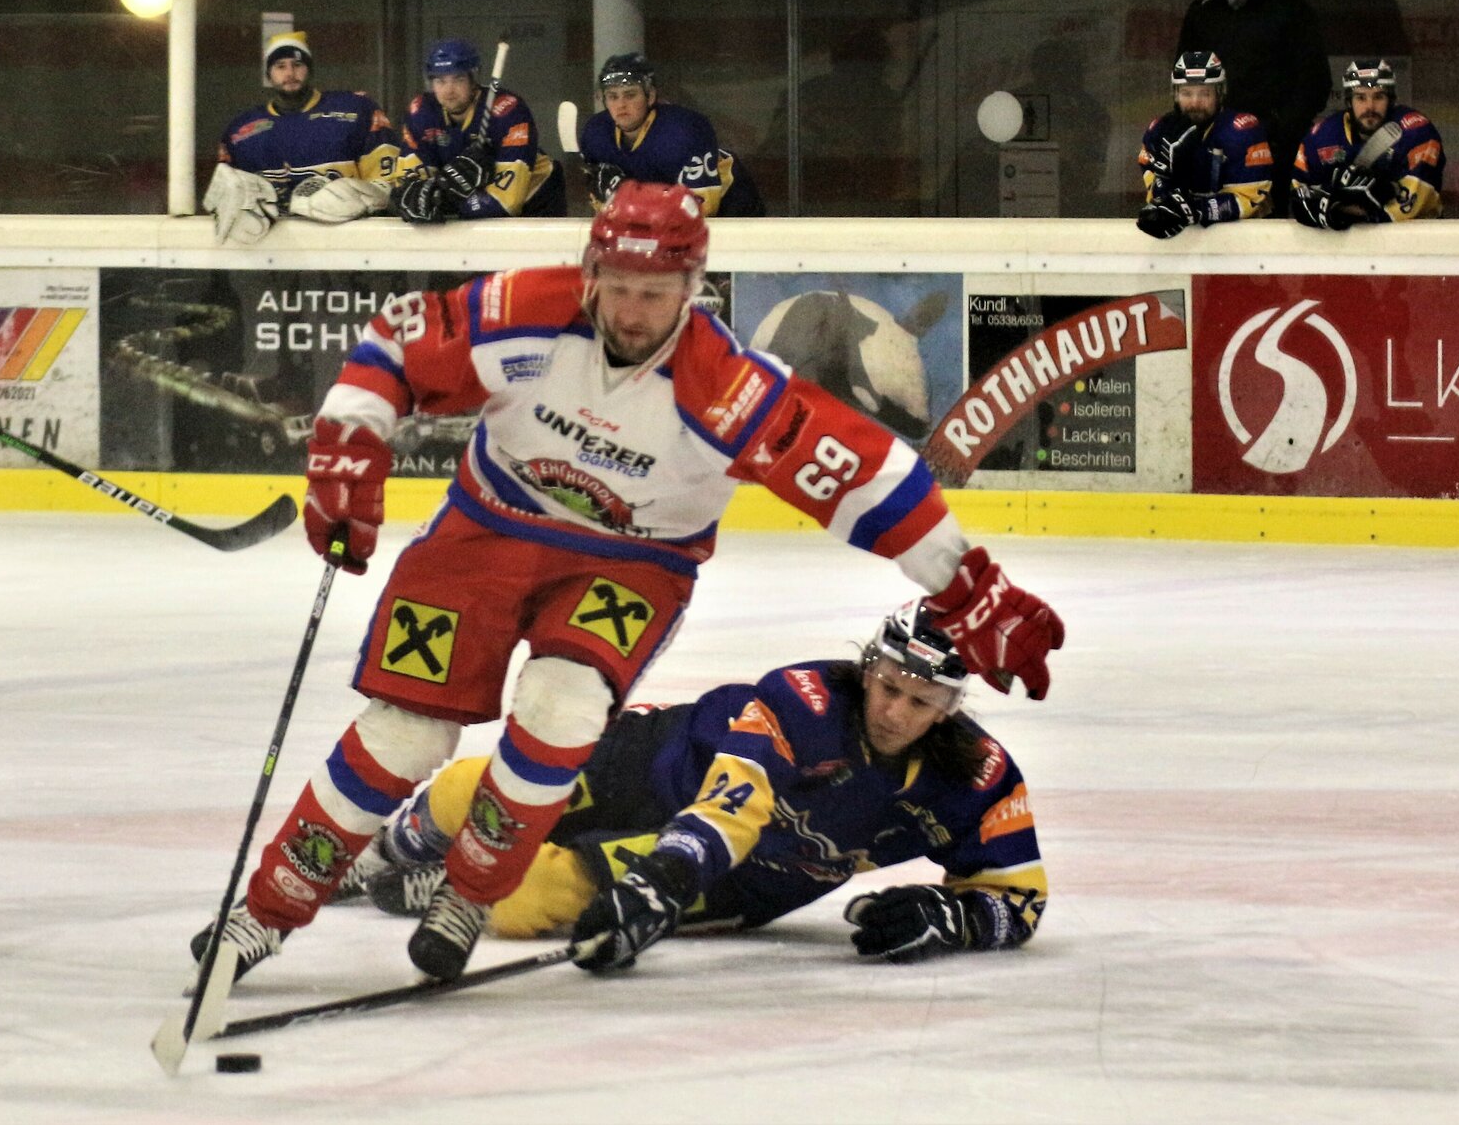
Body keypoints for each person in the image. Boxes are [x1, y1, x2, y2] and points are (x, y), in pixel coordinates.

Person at [193, 182, 1064, 986]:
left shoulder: (728, 389)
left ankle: (472, 890)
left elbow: (866, 474)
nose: (633, 311)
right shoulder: (523, 312)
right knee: (404, 737)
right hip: (486, 531)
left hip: (635, 564)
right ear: (591, 272)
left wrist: (967, 586)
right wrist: (348, 442)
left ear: (692, 289)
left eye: (656, 292)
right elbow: (394, 344)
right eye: (618, 287)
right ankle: (266, 911)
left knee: (564, 709)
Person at [342, 602, 1045, 971]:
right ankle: (383, 854)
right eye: (889, 687)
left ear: (949, 709)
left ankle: (453, 883)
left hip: (745, 881)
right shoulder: (804, 702)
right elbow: (729, 808)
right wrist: (666, 878)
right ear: (869, 669)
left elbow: (1019, 897)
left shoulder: (976, 778)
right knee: (472, 789)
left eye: (921, 703)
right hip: (660, 762)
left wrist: (952, 918)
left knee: (534, 895)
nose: (895, 713)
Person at [1175, 0, 1330, 213]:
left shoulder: (1291, 10)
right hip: (1214, 148)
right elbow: (1183, 79)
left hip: (1276, 150)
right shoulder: (1202, 11)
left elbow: (1315, 83)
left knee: (1274, 231)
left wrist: (1279, 132)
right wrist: (1193, 134)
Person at [202, 31, 404, 244]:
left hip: (348, 247)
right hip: (272, 251)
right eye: (280, 66)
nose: (290, 73)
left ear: (310, 69)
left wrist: (364, 200)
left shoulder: (356, 110)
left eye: (297, 65)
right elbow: (227, 199)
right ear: (268, 74)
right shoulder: (240, 132)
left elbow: (387, 186)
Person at [389, 37, 566, 224]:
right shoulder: (422, 112)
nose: (449, 90)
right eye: (440, 81)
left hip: (537, 203)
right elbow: (409, 185)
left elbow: (507, 201)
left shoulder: (508, 110)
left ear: (473, 80)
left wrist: (447, 202)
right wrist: (421, 197)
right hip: (473, 206)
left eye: (458, 79)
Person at [577, 52, 764, 217]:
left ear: (650, 96)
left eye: (630, 95)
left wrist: (629, 200)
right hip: (659, 216)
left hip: (733, 210)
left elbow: (700, 210)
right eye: (612, 96)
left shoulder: (685, 130)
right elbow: (602, 205)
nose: (621, 105)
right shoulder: (596, 134)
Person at [1291, 59, 1448, 228]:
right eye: (1361, 98)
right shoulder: (1320, 137)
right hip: (1339, 242)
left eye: (1378, 97)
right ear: (1349, 102)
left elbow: (1417, 202)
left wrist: (1347, 211)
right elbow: (1300, 194)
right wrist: (1335, 205)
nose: (1370, 107)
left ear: (1391, 100)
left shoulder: (1416, 131)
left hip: (1415, 239)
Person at [1134, 50, 1274, 239]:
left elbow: (1249, 198)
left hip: (1245, 240)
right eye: (1187, 93)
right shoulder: (1158, 132)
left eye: (1204, 93)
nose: (1195, 102)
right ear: (1175, 95)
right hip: (1182, 238)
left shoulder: (1244, 130)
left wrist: (1196, 209)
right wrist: (1166, 182)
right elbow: (1157, 197)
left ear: (1219, 93)